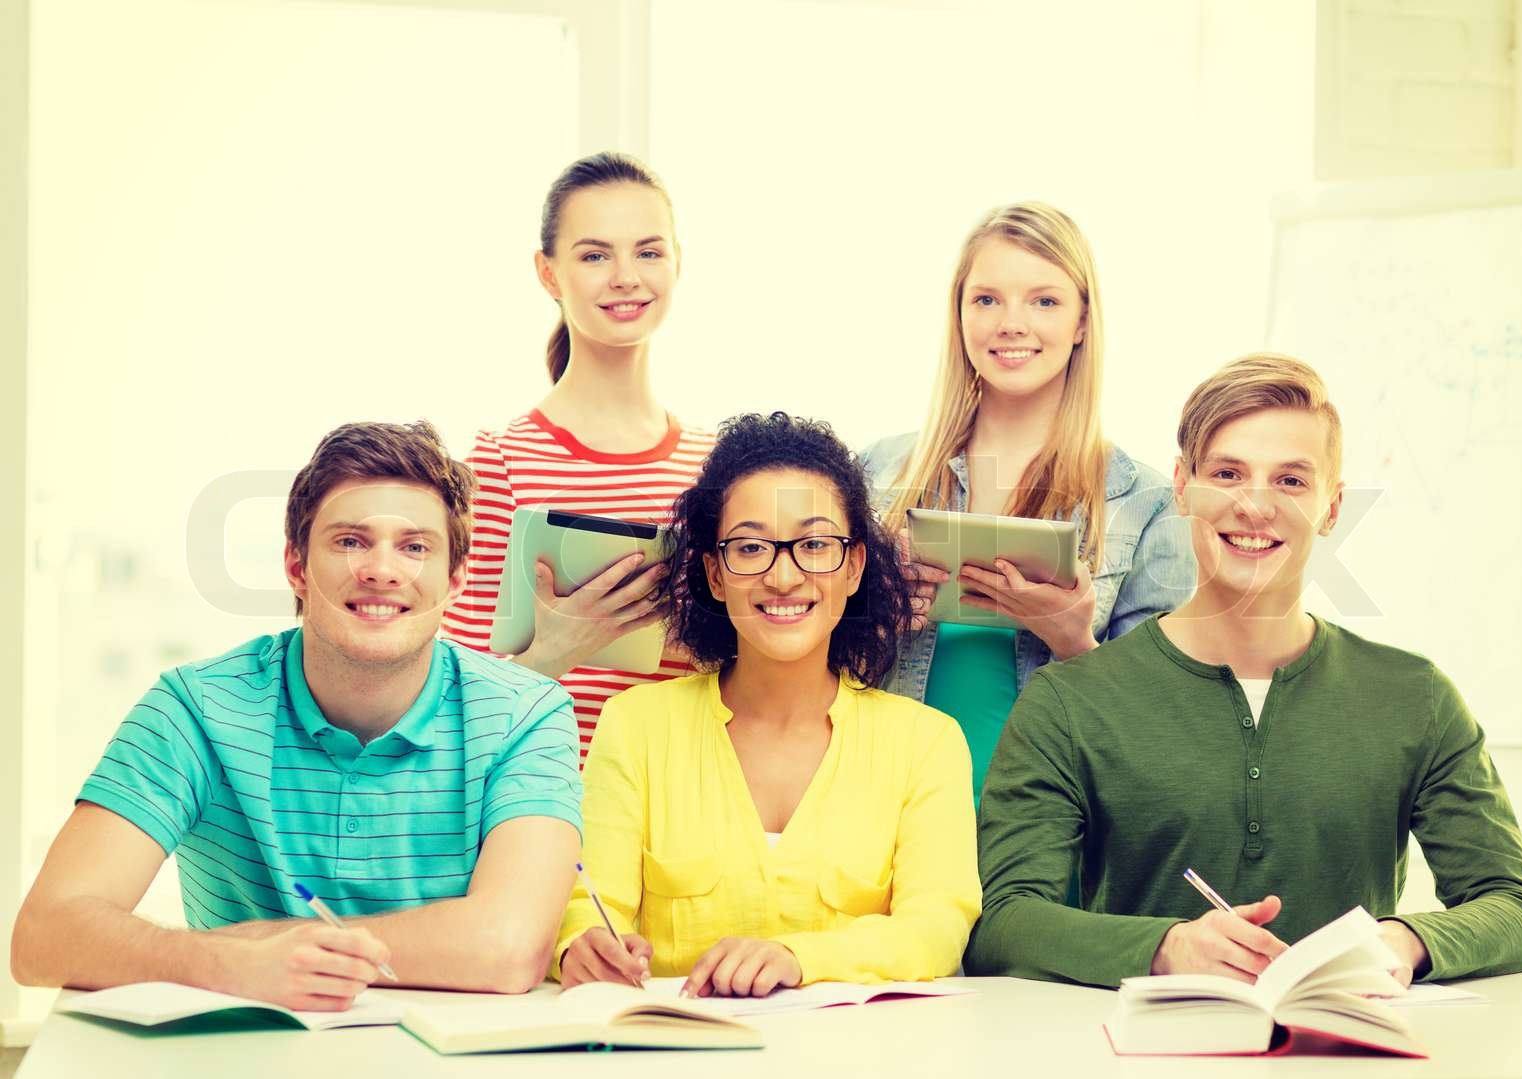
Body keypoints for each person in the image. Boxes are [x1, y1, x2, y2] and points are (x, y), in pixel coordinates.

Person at [965, 354, 1522, 987]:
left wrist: (1403, 939)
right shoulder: (1068, 700)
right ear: (1182, 489)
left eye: (1291, 481)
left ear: (1331, 508)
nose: (1254, 505)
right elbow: (1004, 925)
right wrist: (1164, 948)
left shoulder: (1416, 698)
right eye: (1227, 473)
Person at [10, 421, 583, 1010]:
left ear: (455, 581)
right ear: (296, 567)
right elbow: (45, 936)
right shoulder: (195, 708)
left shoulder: (527, 714)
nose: (382, 570)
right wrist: (229, 966)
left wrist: (262, 945)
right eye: (350, 541)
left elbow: (510, 948)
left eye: (415, 547)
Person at [556, 413, 980, 997]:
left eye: (813, 544)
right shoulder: (636, 726)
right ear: (715, 574)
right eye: (751, 547)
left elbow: (936, 929)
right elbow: (587, 903)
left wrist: (797, 957)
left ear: (854, 566)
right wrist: (582, 947)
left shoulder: (926, 742)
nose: (783, 576)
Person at [861, 202, 1193, 805]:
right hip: (887, 820)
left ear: (1083, 321)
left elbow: (1164, 729)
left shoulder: (1145, 504)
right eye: (987, 300)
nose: (1011, 323)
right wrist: (872, 617)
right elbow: (800, 672)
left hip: (1049, 834)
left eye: (1044, 301)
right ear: (959, 315)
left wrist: (1074, 643)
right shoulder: (878, 474)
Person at [441, 152, 715, 758]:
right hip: (547, 804)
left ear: (677, 261)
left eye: (648, 251)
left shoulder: (715, 464)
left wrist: (672, 635)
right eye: (595, 255)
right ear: (548, 273)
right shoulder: (501, 460)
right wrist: (560, 646)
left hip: (684, 809)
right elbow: (456, 692)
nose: (625, 277)